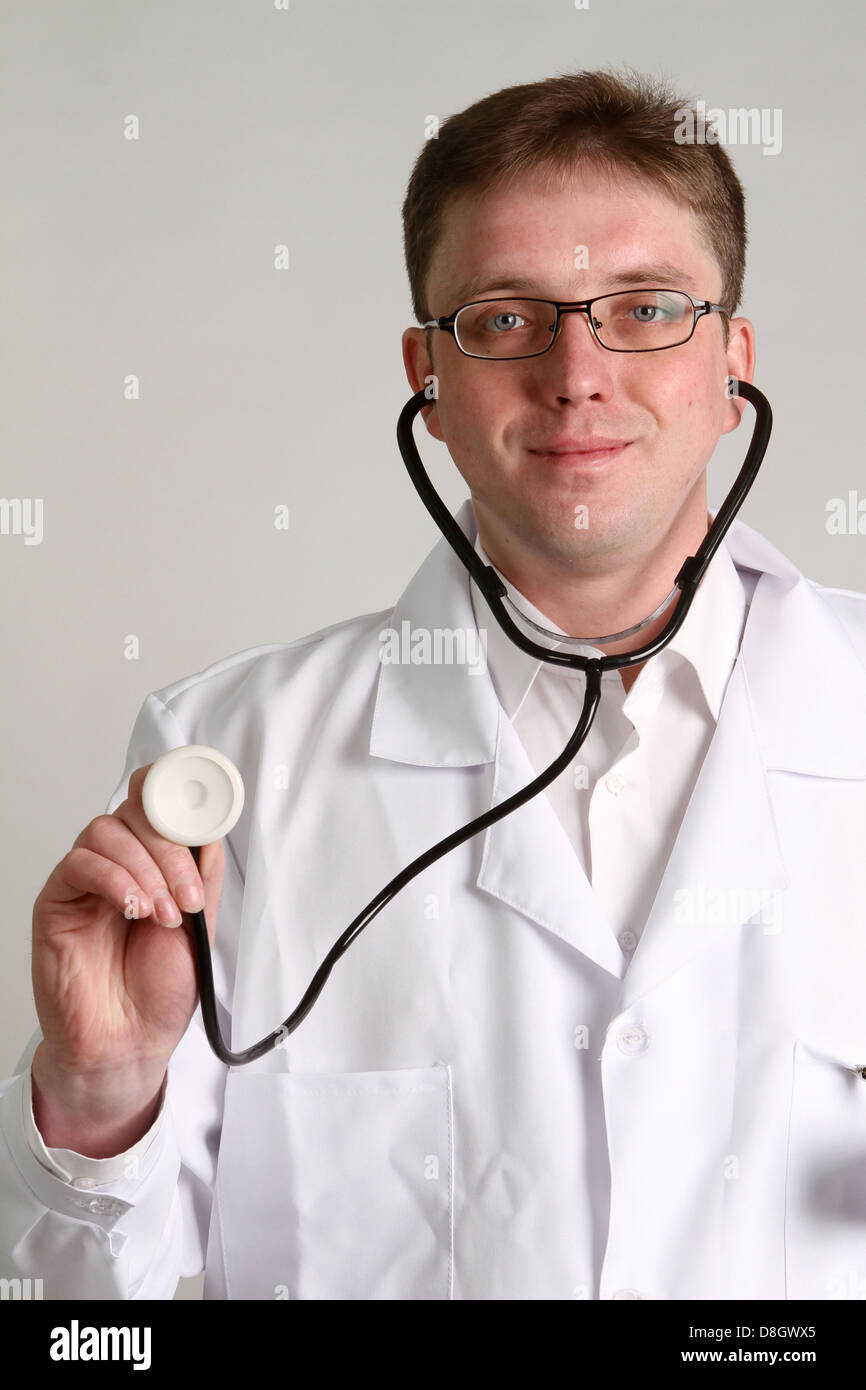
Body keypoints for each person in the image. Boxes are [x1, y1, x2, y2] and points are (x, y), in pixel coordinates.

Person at [2, 67, 864, 1302]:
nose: (576, 372)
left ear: (729, 362)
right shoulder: (233, 755)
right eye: (506, 317)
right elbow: (81, 1330)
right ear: (428, 376)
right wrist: (98, 1091)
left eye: (644, 308)